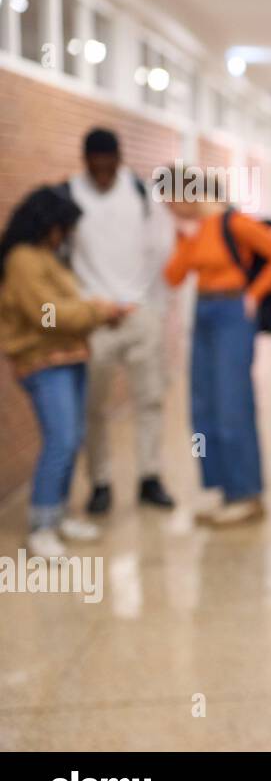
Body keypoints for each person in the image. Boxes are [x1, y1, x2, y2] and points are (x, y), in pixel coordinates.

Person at [161, 166, 271, 526]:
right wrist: (183, 238)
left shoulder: (234, 223)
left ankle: (246, 492)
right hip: (203, 312)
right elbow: (173, 277)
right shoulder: (192, 231)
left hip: (232, 314)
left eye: (170, 201)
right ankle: (218, 486)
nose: (168, 208)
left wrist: (254, 294)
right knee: (202, 405)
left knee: (232, 404)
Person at [0, 186, 133, 555]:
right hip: (44, 364)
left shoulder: (47, 256)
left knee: (71, 437)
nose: (67, 235)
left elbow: (65, 306)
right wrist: (98, 312)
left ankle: (58, 515)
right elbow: (47, 315)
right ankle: (41, 526)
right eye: (64, 227)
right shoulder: (23, 260)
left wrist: (100, 312)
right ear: (48, 223)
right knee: (59, 440)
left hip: (69, 357)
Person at [65, 127, 177, 516]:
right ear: (84, 160)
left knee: (149, 400)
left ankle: (149, 476)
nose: (100, 170)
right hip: (95, 317)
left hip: (139, 312)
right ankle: (100, 483)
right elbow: (63, 257)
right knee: (94, 407)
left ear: (118, 158)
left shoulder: (141, 195)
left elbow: (161, 251)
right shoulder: (70, 196)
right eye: (93, 163)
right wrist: (89, 306)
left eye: (106, 162)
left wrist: (153, 308)